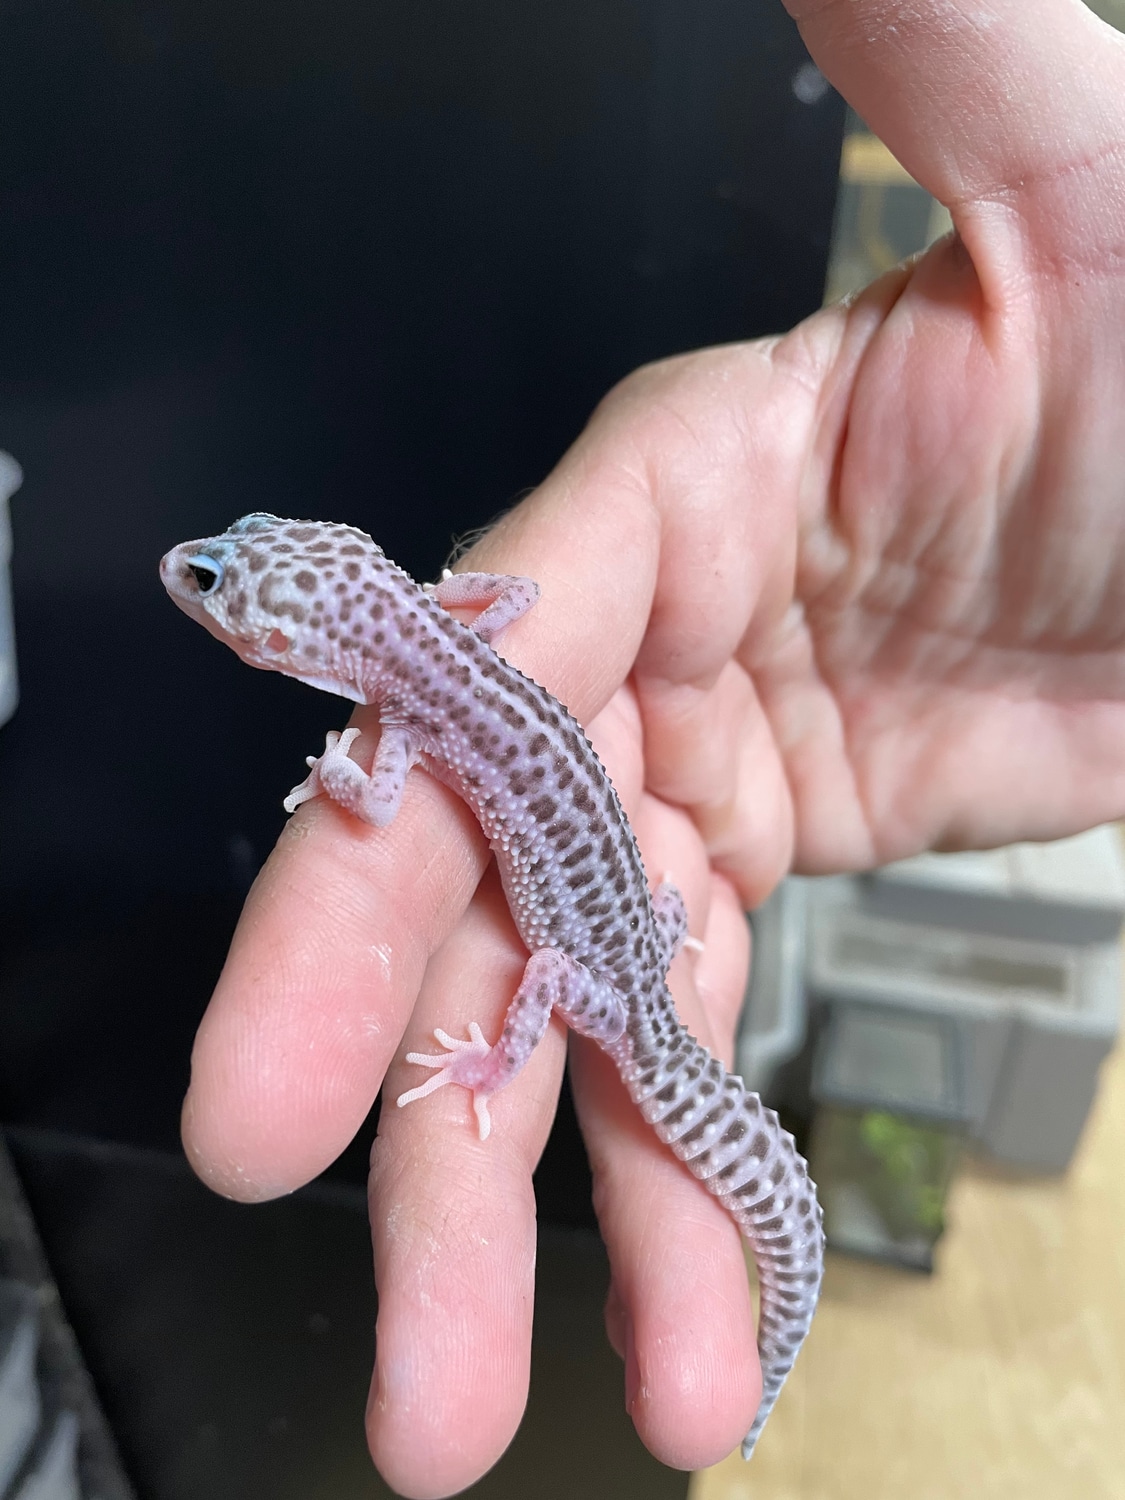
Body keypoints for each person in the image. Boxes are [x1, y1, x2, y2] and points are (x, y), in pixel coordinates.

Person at [177, 1, 1125, 1494]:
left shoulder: (405, 710)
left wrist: (335, 787)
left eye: (232, 581)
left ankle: (611, 1143)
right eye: (230, 577)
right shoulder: (447, 636)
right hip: (636, 922)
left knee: (551, 989)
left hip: (609, 964)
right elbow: (515, 593)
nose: (208, 573)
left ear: (309, 630)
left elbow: (366, 792)